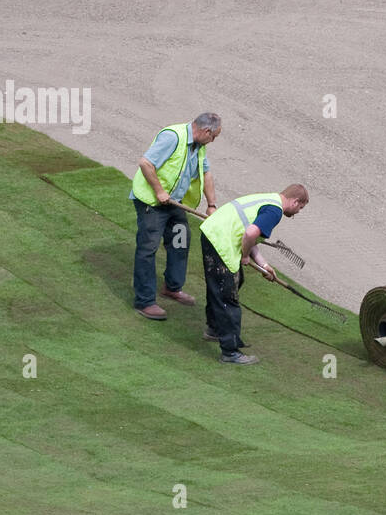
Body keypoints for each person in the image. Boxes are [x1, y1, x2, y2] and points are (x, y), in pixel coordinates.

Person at [198, 185, 309, 364]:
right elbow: (250, 234)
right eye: (300, 208)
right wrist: (244, 255)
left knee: (228, 283)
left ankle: (215, 329)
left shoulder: (268, 198)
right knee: (228, 295)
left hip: (213, 234)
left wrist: (264, 265)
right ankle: (230, 352)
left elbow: (250, 234)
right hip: (221, 241)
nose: (298, 212)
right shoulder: (275, 211)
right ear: (295, 201)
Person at [130, 113, 221, 320]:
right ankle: (144, 301)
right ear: (207, 131)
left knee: (180, 242)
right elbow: (145, 163)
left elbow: (205, 173)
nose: (213, 141)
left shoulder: (199, 145)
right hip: (151, 203)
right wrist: (159, 191)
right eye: (214, 136)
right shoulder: (173, 137)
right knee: (148, 249)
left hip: (175, 204)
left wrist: (212, 205)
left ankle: (172, 287)